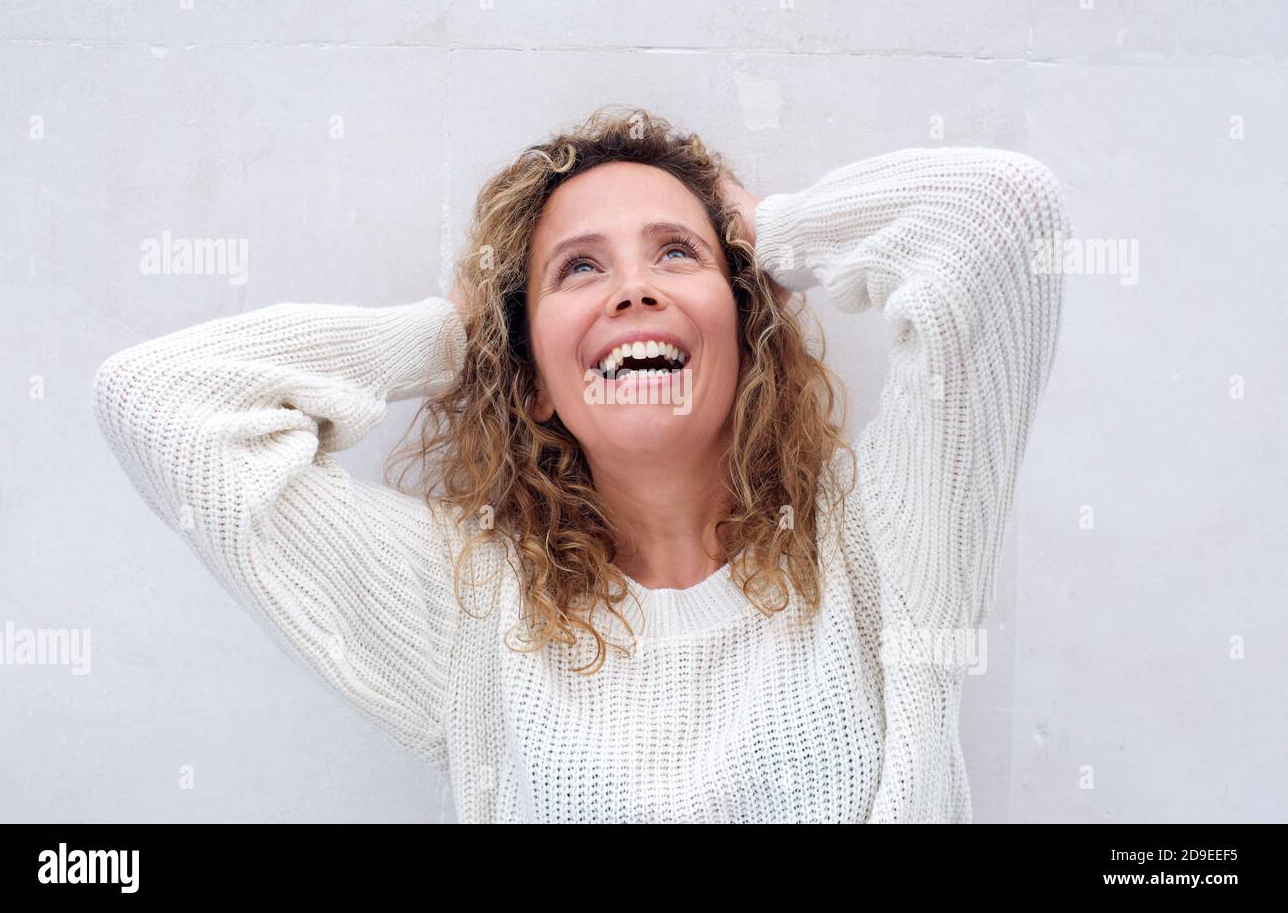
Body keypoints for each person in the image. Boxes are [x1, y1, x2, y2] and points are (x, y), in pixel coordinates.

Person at [92, 106, 1070, 822]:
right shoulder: (469, 605)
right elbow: (157, 404)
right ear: (533, 383)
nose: (634, 290)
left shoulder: (883, 546)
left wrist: (772, 229)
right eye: (580, 268)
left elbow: (1000, 217)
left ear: (747, 330)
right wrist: (454, 336)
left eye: (676, 255)